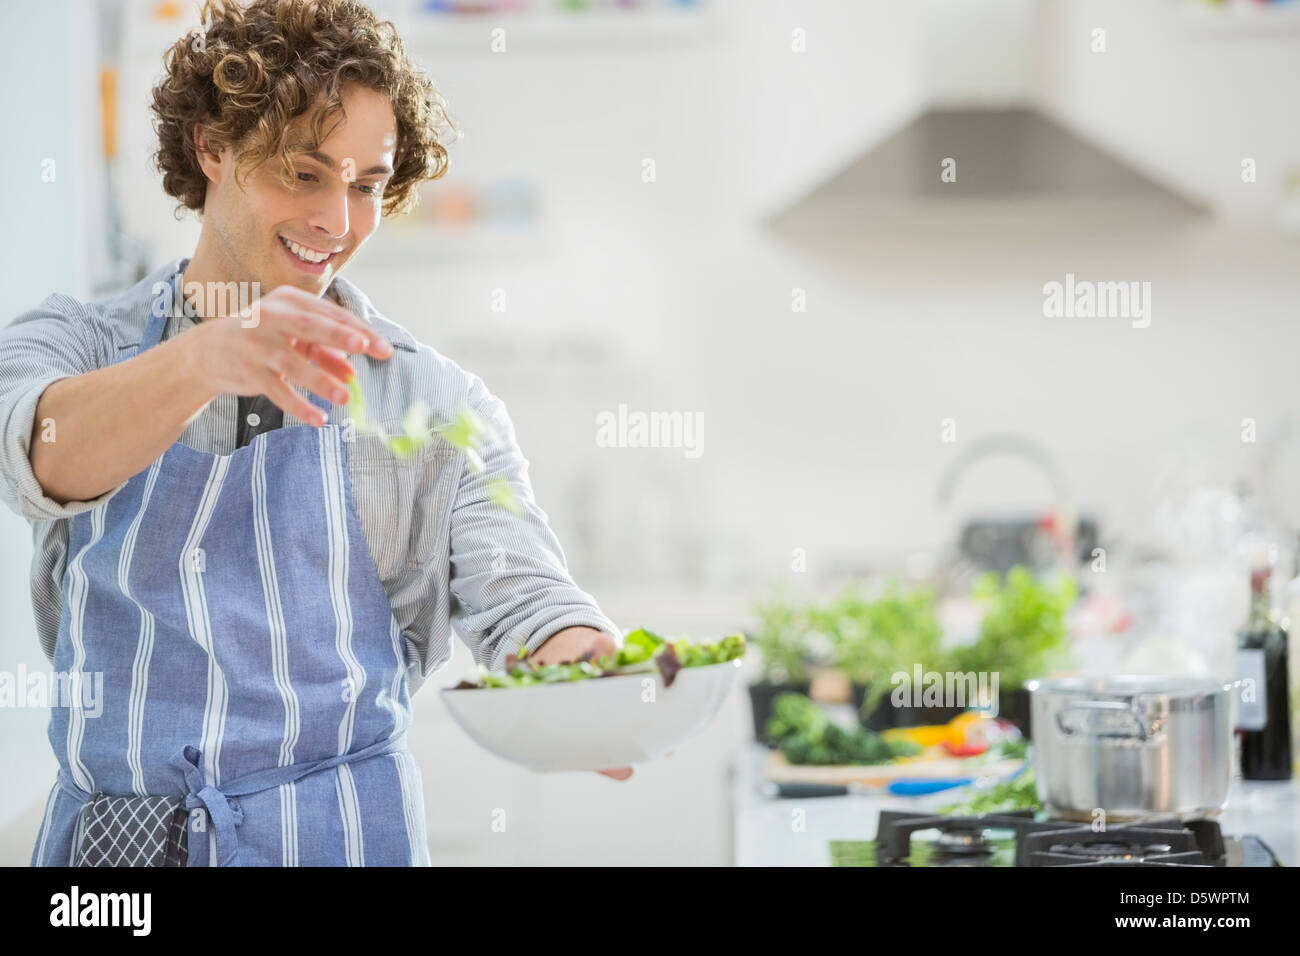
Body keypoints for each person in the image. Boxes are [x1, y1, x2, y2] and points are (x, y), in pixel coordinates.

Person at [0, 0, 626, 868]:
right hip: (117, 865)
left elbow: (522, 593)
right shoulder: (77, 342)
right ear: (211, 148)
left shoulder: (429, 399)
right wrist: (205, 358)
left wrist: (585, 663)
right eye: (304, 173)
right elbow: (39, 453)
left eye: (367, 184)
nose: (339, 221)